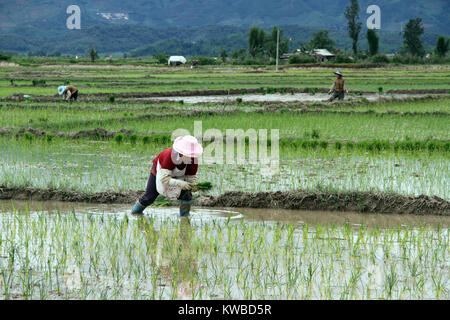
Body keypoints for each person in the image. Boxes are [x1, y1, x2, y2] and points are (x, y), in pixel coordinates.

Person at [131, 135, 203, 217]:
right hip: (161, 172)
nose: (191, 158)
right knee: (149, 196)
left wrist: (193, 186)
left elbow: (191, 178)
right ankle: (135, 213)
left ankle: (184, 217)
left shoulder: (193, 161)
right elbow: (164, 179)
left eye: (192, 155)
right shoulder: (168, 156)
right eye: (188, 155)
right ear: (181, 153)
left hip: (179, 175)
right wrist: (181, 184)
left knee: (187, 196)